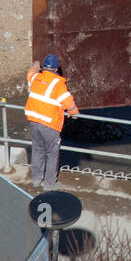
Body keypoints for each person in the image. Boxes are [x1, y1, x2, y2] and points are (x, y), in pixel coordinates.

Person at [25, 54, 79, 190]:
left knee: (37, 149)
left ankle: (36, 179)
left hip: (34, 121)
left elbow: (30, 74)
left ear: (44, 67)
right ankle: (49, 184)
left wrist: (34, 66)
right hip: (49, 124)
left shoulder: (36, 77)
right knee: (52, 153)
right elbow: (68, 102)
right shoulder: (58, 83)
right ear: (56, 68)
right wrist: (74, 113)